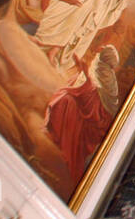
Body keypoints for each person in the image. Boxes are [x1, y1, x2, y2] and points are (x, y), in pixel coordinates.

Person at [43, 46, 120, 178]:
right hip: (90, 115)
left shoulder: (101, 70)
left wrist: (84, 70)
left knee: (65, 101)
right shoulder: (107, 74)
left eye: (100, 51)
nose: (97, 52)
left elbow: (91, 100)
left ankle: (58, 140)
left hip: (90, 121)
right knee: (66, 96)